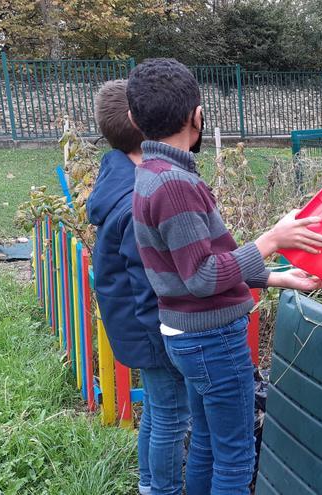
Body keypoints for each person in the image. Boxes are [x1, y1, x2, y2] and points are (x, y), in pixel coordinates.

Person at [127, 58, 322, 495]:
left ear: (134, 120)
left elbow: (194, 268)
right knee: (236, 458)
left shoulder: (152, 175)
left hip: (186, 336)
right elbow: (202, 276)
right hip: (212, 342)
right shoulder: (175, 184)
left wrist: (278, 278)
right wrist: (271, 239)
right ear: (196, 115)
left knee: (207, 444)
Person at [86, 79, 190, 495]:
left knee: (161, 410)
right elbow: (147, 282)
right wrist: (167, 338)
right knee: (171, 415)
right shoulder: (137, 197)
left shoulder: (118, 174)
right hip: (152, 328)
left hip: (133, 322)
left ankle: (150, 483)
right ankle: (161, 489)